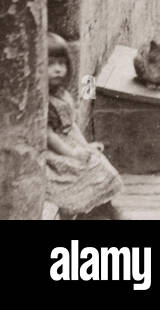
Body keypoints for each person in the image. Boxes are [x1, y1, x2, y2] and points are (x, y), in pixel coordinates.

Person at [45, 33, 124, 220]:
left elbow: (71, 126)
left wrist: (84, 146)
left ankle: (105, 212)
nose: (58, 70)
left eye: (62, 63)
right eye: (51, 64)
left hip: (68, 144)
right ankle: (90, 214)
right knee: (87, 170)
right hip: (53, 152)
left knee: (99, 161)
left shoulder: (61, 94)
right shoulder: (42, 100)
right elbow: (47, 135)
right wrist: (71, 153)